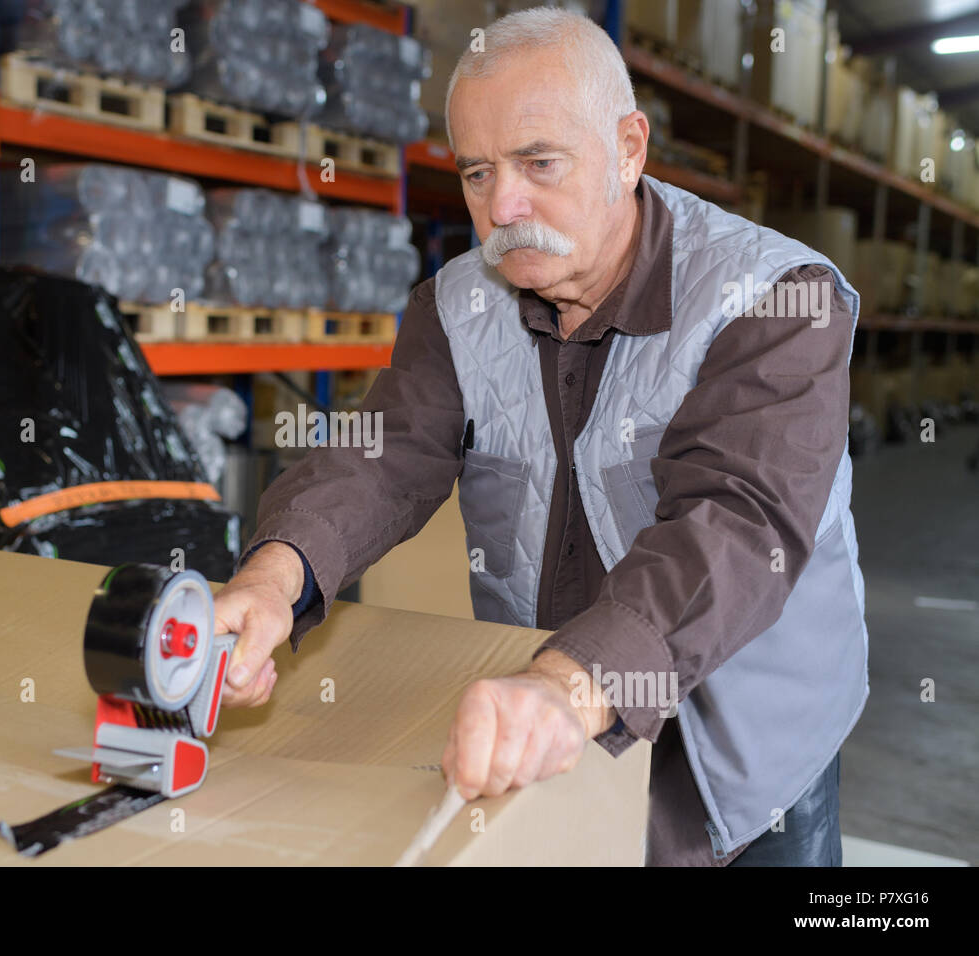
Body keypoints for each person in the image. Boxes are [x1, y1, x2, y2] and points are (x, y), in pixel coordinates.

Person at [213, 7, 865, 866]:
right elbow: (380, 456)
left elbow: (735, 525)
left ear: (629, 148)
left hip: (740, 755)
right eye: (477, 173)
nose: (503, 207)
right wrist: (275, 576)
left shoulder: (776, 298)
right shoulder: (457, 306)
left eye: (538, 162)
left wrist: (569, 684)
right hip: (555, 723)